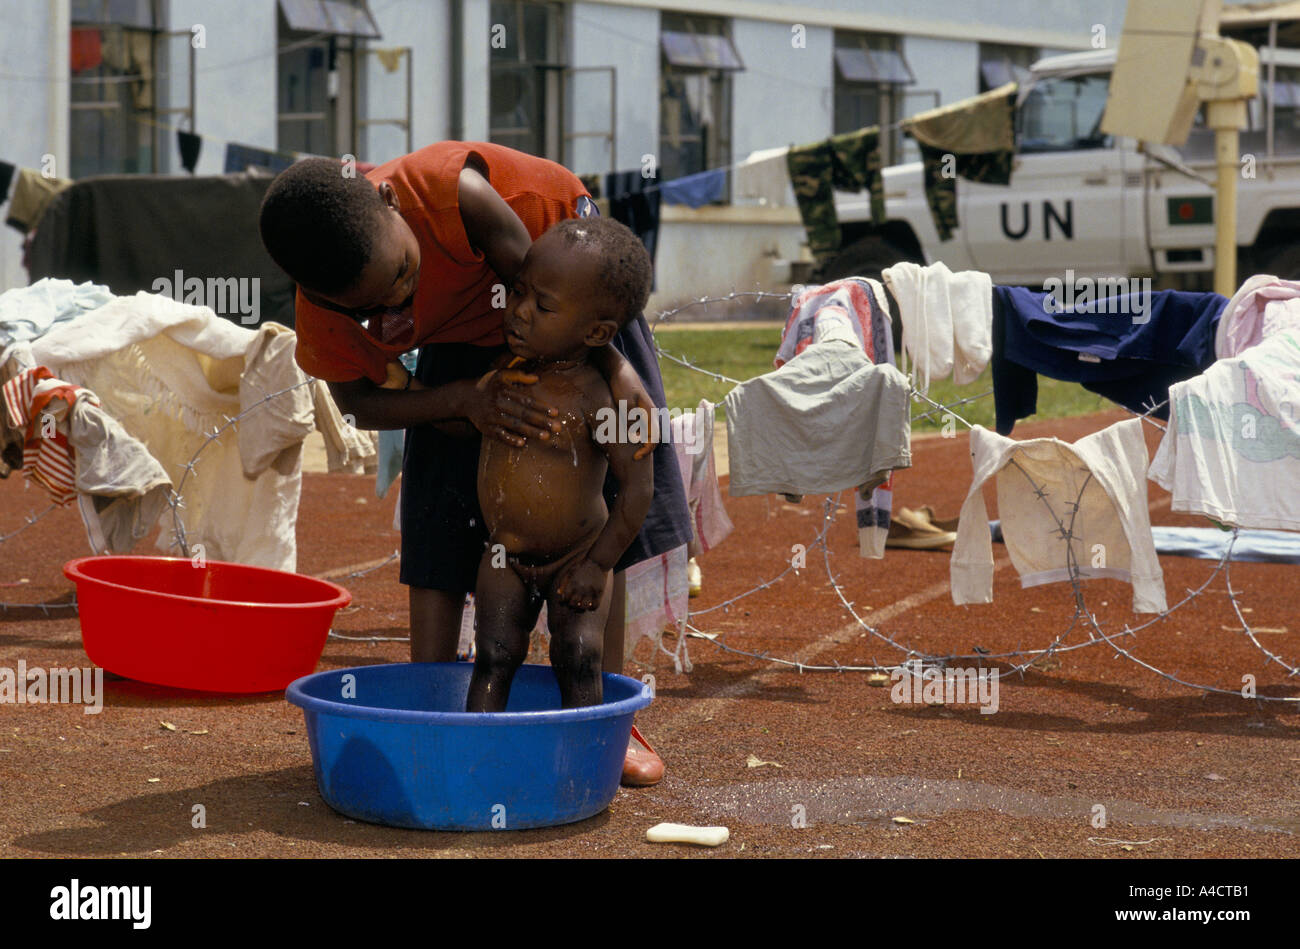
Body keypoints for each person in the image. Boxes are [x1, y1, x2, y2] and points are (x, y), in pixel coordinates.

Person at [258, 142, 689, 784]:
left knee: (599, 499)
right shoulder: (324, 307)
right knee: (438, 505)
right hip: (460, 334)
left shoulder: (457, 199)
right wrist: (461, 398)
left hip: (556, 285)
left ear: (388, 203)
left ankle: (608, 721)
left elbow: (533, 294)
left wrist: (621, 380)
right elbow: (358, 402)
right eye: (371, 308)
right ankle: (428, 703)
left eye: (403, 275)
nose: (397, 304)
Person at [467, 217, 652, 712]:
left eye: (543, 305)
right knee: (492, 655)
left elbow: (638, 489)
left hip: (577, 554)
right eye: (518, 292)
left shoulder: (602, 399)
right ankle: (475, 758)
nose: (519, 313)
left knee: (579, 656)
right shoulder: (503, 376)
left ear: (596, 332)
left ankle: (584, 762)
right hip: (505, 555)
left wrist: (598, 565)